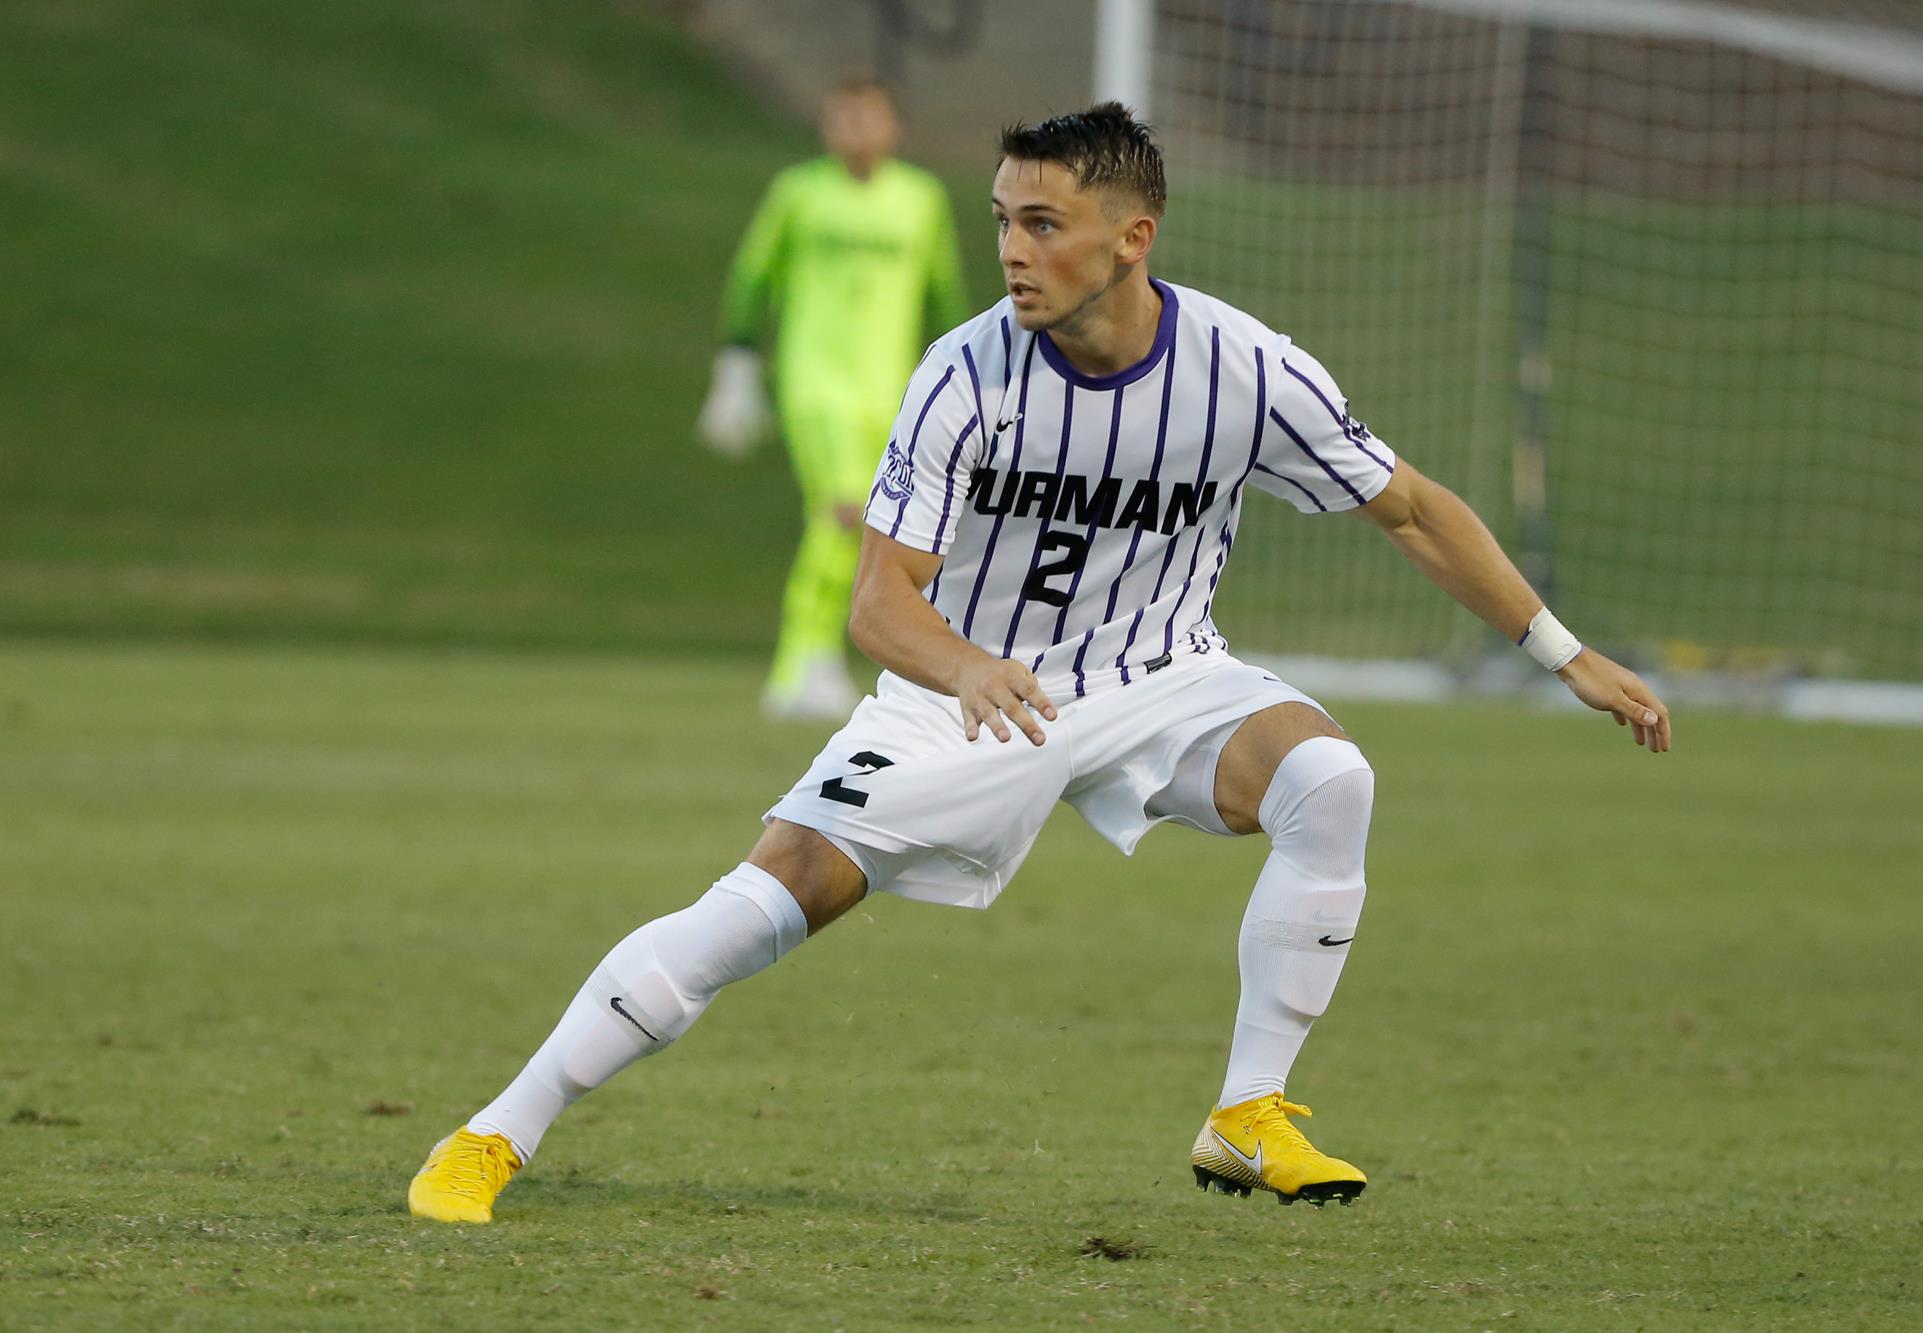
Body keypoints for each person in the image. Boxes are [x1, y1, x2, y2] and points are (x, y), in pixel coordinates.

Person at [410, 103, 1670, 1222]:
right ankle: (493, 1133)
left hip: (1161, 677)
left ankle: (1247, 1114)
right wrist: (959, 668)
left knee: (1330, 781)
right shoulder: (963, 372)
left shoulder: (1245, 367)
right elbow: (878, 602)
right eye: (1003, 219)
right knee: (766, 901)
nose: (1012, 248)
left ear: (1133, 237)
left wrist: (1562, 652)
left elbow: (1408, 508)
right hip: (962, 687)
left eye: (1044, 222)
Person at [699, 77, 967, 719]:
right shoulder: (799, 193)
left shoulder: (921, 199)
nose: (853, 130)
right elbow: (752, 274)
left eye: (865, 118)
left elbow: (945, 292)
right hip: (816, 381)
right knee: (843, 509)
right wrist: (736, 363)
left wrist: (966, 380)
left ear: (893, 126)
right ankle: (800, 660)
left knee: (882, 524)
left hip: (891, 388)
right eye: (840, 118)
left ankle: (827, 659)